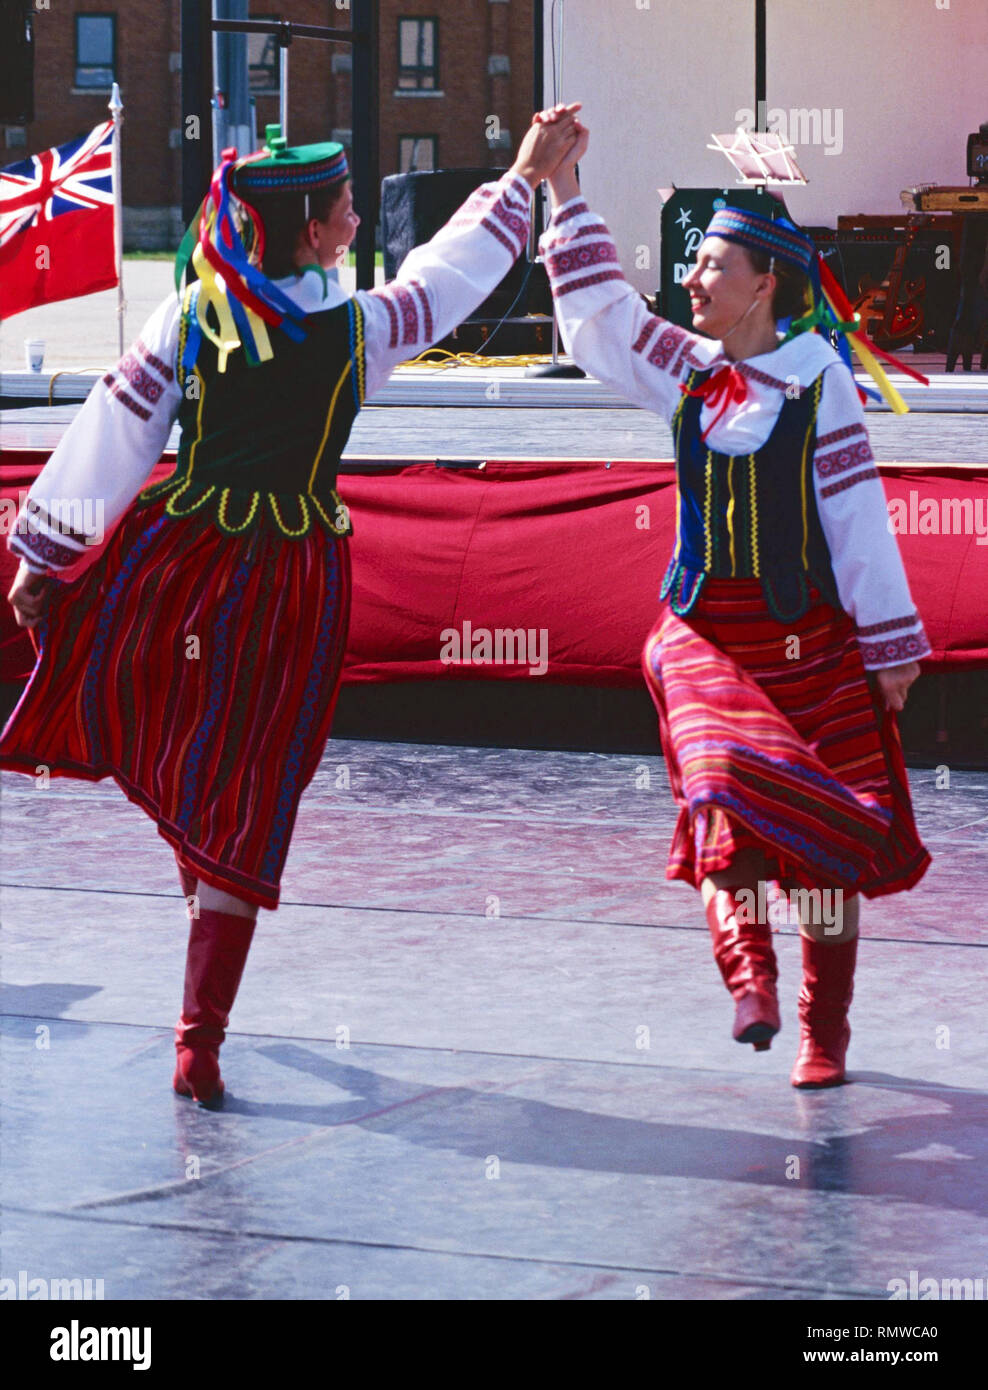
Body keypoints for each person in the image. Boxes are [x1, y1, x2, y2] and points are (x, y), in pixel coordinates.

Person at [2, 114, 583, 1108]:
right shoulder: (359, 329)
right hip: (287, 590)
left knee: (201, 762)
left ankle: (199, 987)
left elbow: (117, 429)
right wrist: (525, 181)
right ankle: (199, 1035)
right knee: (248, 789)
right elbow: (452, 276)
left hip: (179, 564)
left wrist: (45, 551)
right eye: (349, 205)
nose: (359, 216)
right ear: (312, 230)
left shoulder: (192, 315)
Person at [531, 106, 932, 1087]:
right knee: (716, 794)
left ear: (764, 285)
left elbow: (855, 519)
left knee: (830, 851)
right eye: (694, 264)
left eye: (712, 266)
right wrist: (563, 188)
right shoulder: (687, 370)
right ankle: (746, 976)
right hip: (703, 633)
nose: (692, 279)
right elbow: (597, 324)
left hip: (806, 641)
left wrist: (891, 649)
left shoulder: (815, 383)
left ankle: (821, 1030)